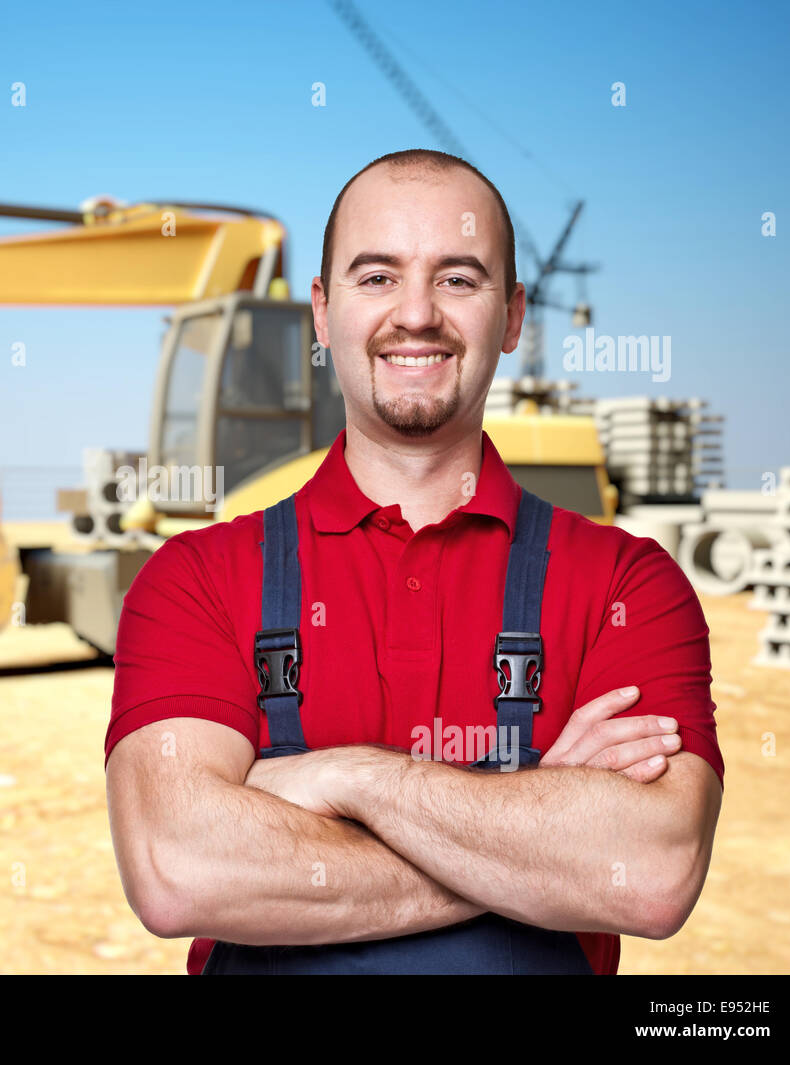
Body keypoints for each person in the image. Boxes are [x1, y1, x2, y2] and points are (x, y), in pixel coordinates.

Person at [103, 149, 723, 975]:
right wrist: (537, 834)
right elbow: (177, 869)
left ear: (512, 317)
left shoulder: (628, 585)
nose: (418, 314)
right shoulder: (196, 579)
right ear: (322, 315)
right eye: (377, 277)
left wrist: (346, 778)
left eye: (459, 279)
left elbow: (650, 872)